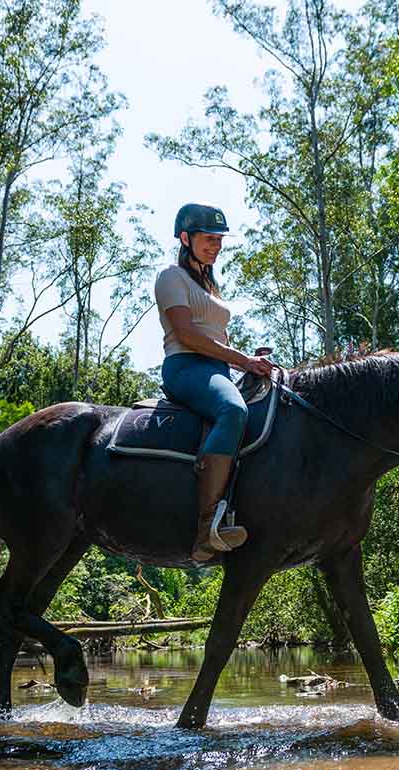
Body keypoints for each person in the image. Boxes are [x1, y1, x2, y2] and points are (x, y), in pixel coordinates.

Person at [155, 203, 273, 561]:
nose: (216, 246)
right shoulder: (170, 278)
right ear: (185, 238)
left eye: (219, 240)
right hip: (186, 367)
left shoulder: (210, 285)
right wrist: (244, 361)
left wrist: (246, 363)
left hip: (217, 370)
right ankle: (206, 527)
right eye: (208, 239)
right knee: (232, 410)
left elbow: (215, 337)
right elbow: (187, 335)